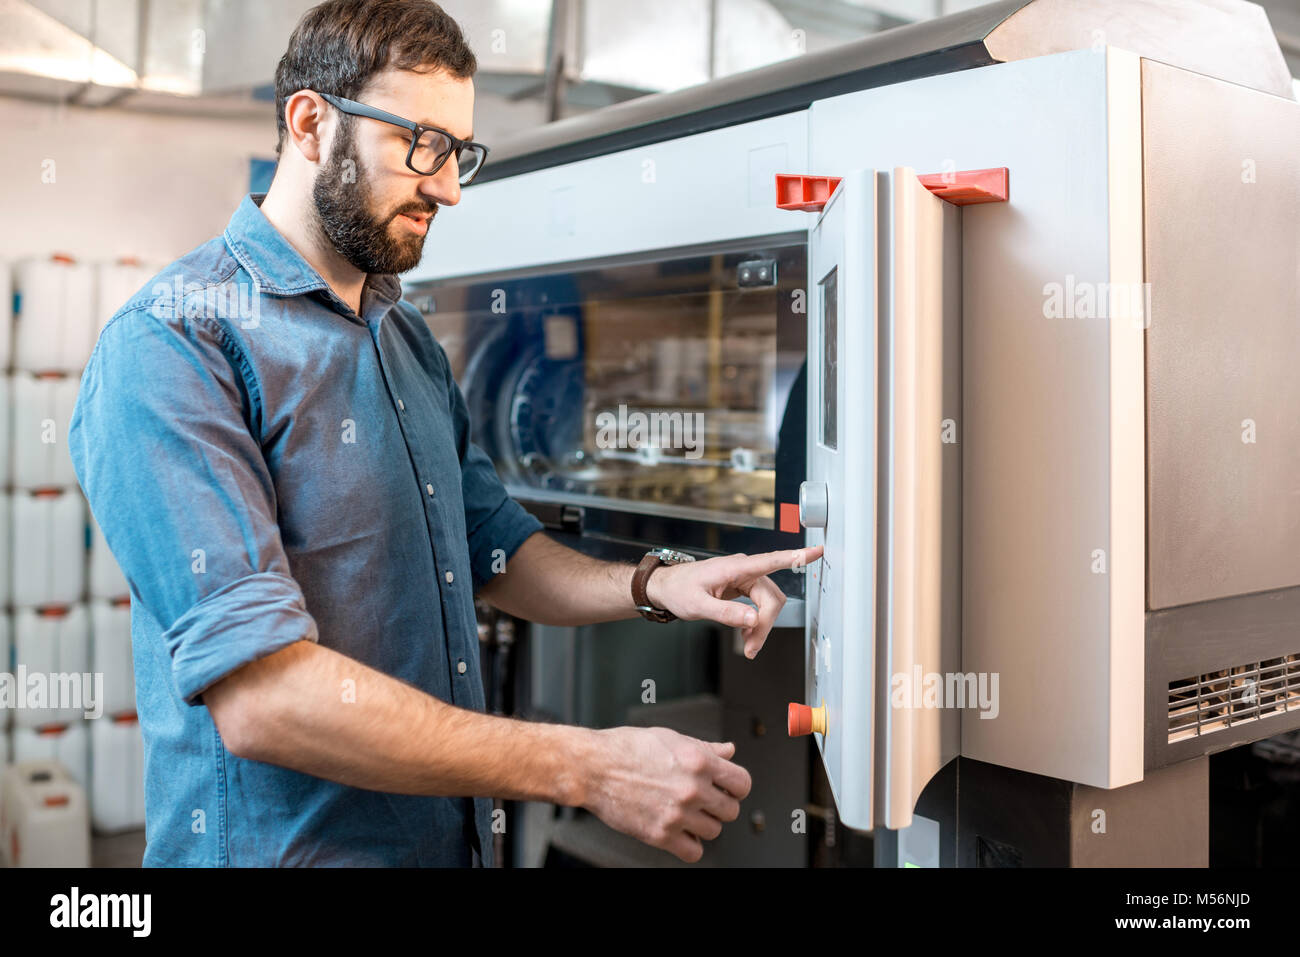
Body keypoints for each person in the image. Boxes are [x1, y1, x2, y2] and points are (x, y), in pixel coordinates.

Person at [69, 0, 821, 867]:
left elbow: (493, 548)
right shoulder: (175, 341)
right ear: (311, 123)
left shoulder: (404, 334)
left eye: (460, 152)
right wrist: (589, 766)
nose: (449, 186)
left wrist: (657, 584)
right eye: (420, 144)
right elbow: (264, 696)